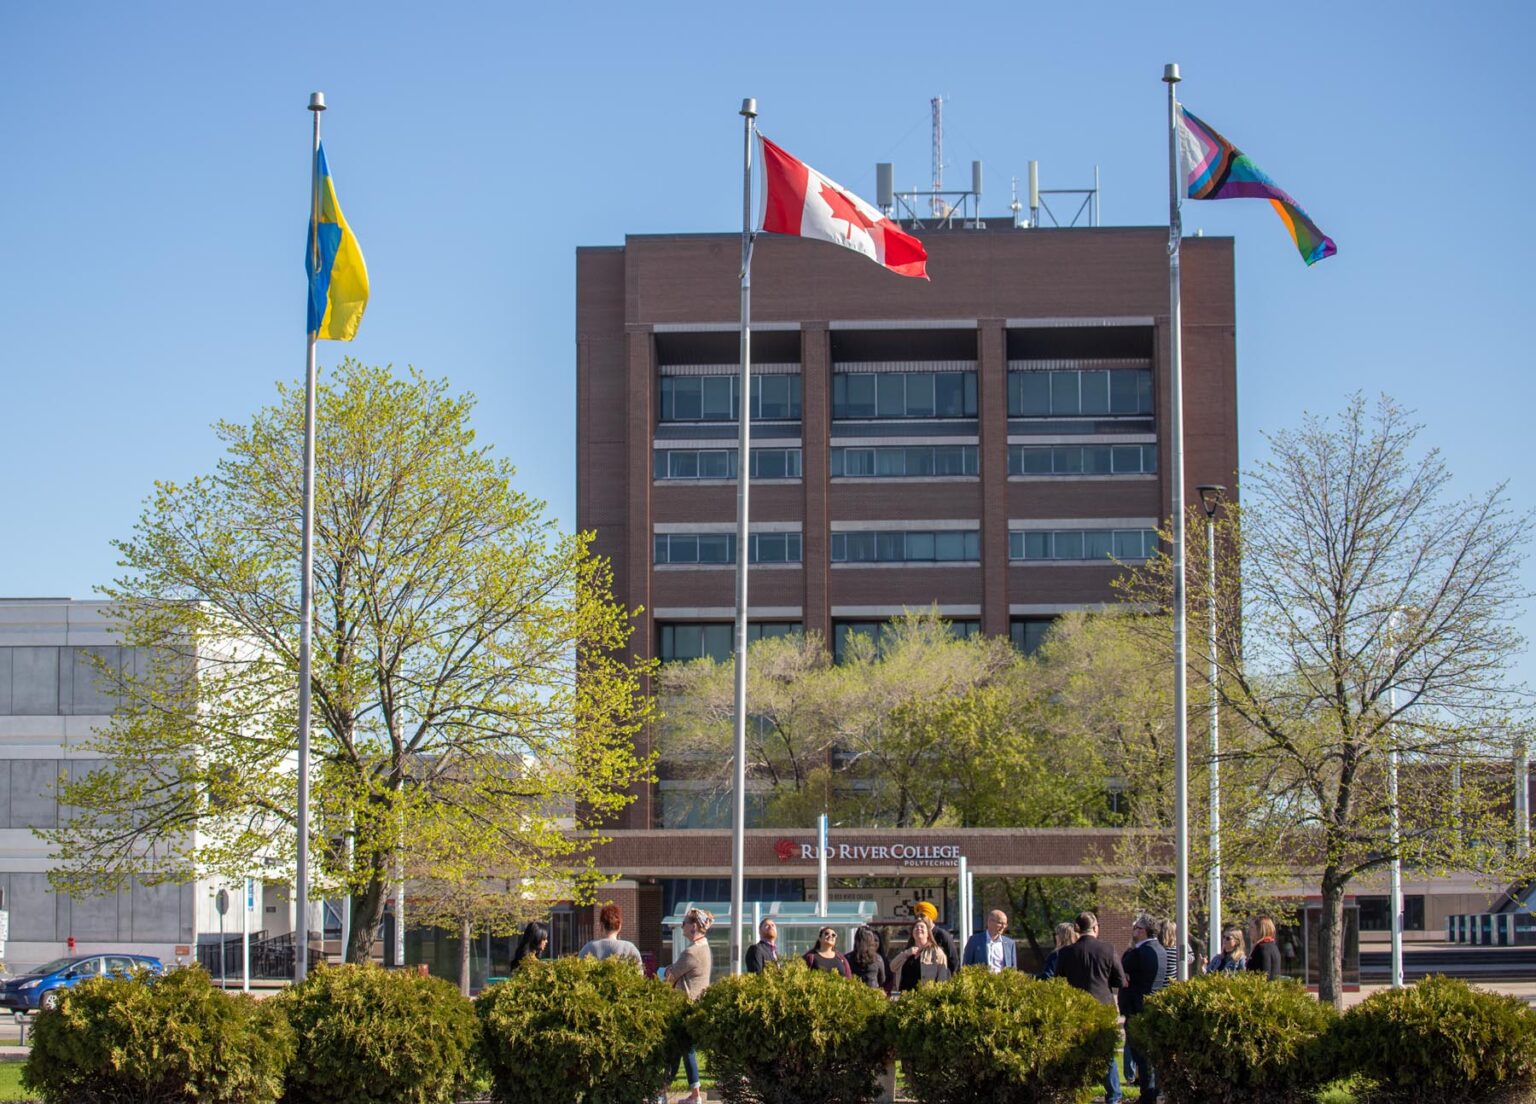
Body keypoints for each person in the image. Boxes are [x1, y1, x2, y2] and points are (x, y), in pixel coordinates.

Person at [1054, 911, 1126, 1104]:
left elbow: (1058, 980)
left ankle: (1077, 1094)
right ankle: (1113, 1095)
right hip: (1103, 1005)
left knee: (1076, 1052)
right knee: (1107, 1053)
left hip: (1076, 1006)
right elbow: (1120, 980)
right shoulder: (1108, 949)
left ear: (1076, 928)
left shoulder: (1066, 952)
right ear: (1095, 928)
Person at [665, 908, 714, 1104]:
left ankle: (692, 1095)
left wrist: (667, 970)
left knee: (684, 1050)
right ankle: (672, 1091)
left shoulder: (691, 952)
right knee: (681, 1051)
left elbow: (670, 976)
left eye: (684, 922)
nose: (682, 926)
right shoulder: (704, 948)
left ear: (693, 926)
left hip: (686, 1007)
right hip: (695, 1007)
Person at [1120, 914, 1167, 1104]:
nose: (1133, 931)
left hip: (1137, 1008)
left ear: (1143, 931)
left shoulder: (1139, 952)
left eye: (1136, 928)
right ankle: (1152, 1091)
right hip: (1151, 1007)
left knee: (1141, 1055)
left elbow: (1123, 967)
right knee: (1148, 1055)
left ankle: (1148, 1094)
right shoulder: (1160, 949)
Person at [888, 918, 950, 994]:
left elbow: (942, 977)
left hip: (925, 999)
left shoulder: (936, 952)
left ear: (928, 933)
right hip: (905, 998)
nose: (919, 928)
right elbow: (892, 967)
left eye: (922, 927)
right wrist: (906, 953)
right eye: (916, 927)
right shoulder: (908, 951)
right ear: (912, 933)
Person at [578, 904, 643, 966]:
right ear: (619, 926)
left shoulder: (588, 948)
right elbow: (639, 974)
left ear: (601, 925)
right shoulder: (630, 948)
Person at [911, 901, 960, 970]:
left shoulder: (942, 935)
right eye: (917, 916)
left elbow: (953, 961)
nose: (919, 919)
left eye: (922, 916)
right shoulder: (915, 934)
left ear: (930, 917)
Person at [848, 925, 887, 990]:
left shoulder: (848, 958)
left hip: (854, 993)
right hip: (872, 994)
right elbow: (882, 979)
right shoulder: (877, 958)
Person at [1247, 914, 1283, 979]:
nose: (1249, 931)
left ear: (1260, 929)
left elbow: (1264, 976)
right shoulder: (1272, 946)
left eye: (1252, 927)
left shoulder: (1262, 948)